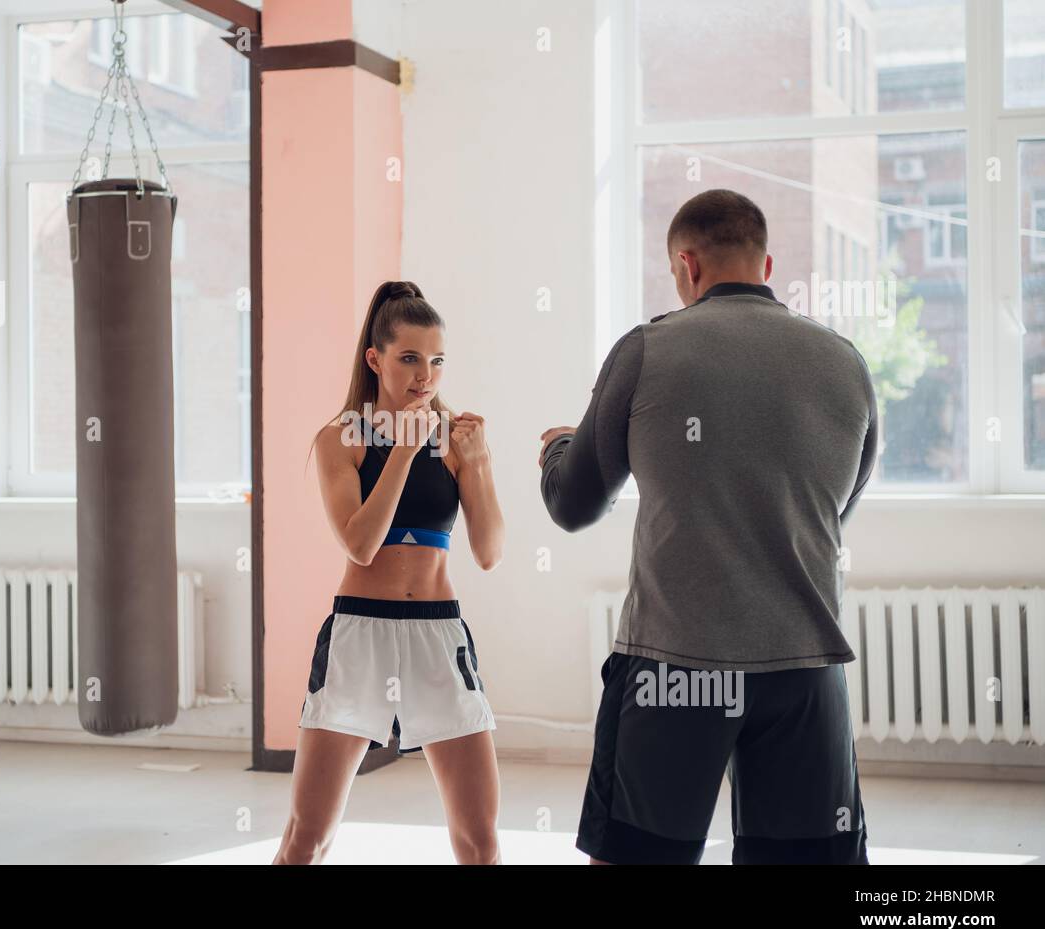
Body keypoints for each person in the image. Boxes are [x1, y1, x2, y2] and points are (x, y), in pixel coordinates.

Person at [539, 188, 878, 865]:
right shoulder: (845, 361)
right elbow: (833, 511)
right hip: (806, 672)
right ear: (767, 263)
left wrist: (555, 448)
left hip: (675, 667)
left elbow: (575, 505)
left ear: (687, 264)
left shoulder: (646, 349)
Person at [273, 280, 506, 865]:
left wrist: (477, 466)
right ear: (375, 359)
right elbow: (360, 543)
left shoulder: (456, 439)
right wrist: (403, 450)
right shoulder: (341, 438)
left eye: (436, 361)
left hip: (436, 632)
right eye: (409, 359)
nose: (424, 375)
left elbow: (488, 552)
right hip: (361, 633)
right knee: (308, 835)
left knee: (479, 840)